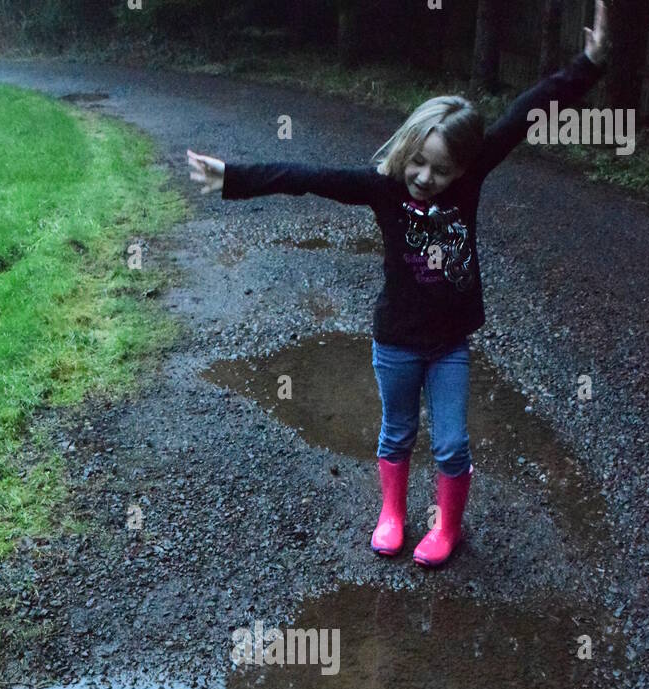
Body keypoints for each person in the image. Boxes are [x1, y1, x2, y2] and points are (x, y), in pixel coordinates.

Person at [188, 1, 608, 567]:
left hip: (449, 344)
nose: (425, 178)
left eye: (441, 170)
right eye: (418, 163)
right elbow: (306, 178)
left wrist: (591, 61)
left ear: (464, 169)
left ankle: (448, 528)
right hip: (396, 342)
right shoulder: (384, 189)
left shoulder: (470, 178)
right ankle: (392, 515)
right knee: (397, 433)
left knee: (453, 443)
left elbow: (529, 110)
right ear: (407, 148)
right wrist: (231, 176)